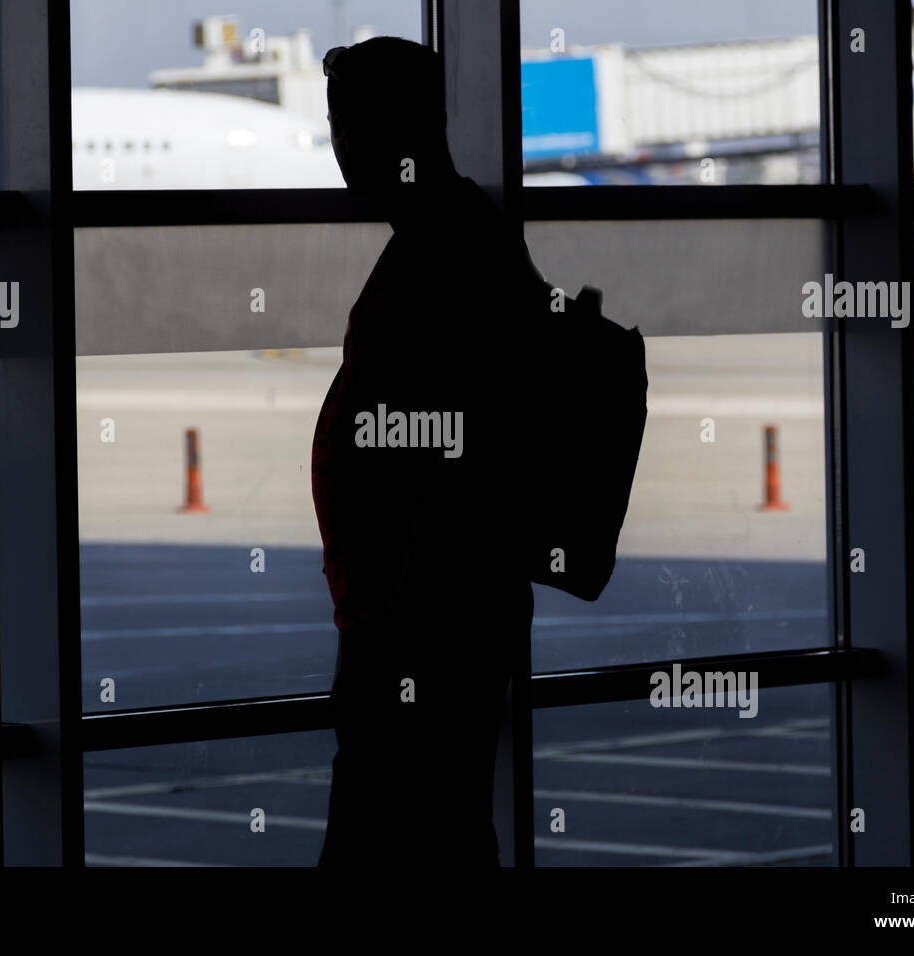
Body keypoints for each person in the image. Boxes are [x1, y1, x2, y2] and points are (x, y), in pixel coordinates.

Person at [311, 36, 541, 867]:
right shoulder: (456, 232)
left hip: (415, 621)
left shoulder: (442, 249)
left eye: (346, 123)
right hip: (426, 611)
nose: (338, 146)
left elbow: (454, 456)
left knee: (391, 828)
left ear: (394, 130)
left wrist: (392, 609)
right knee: (441, 826)